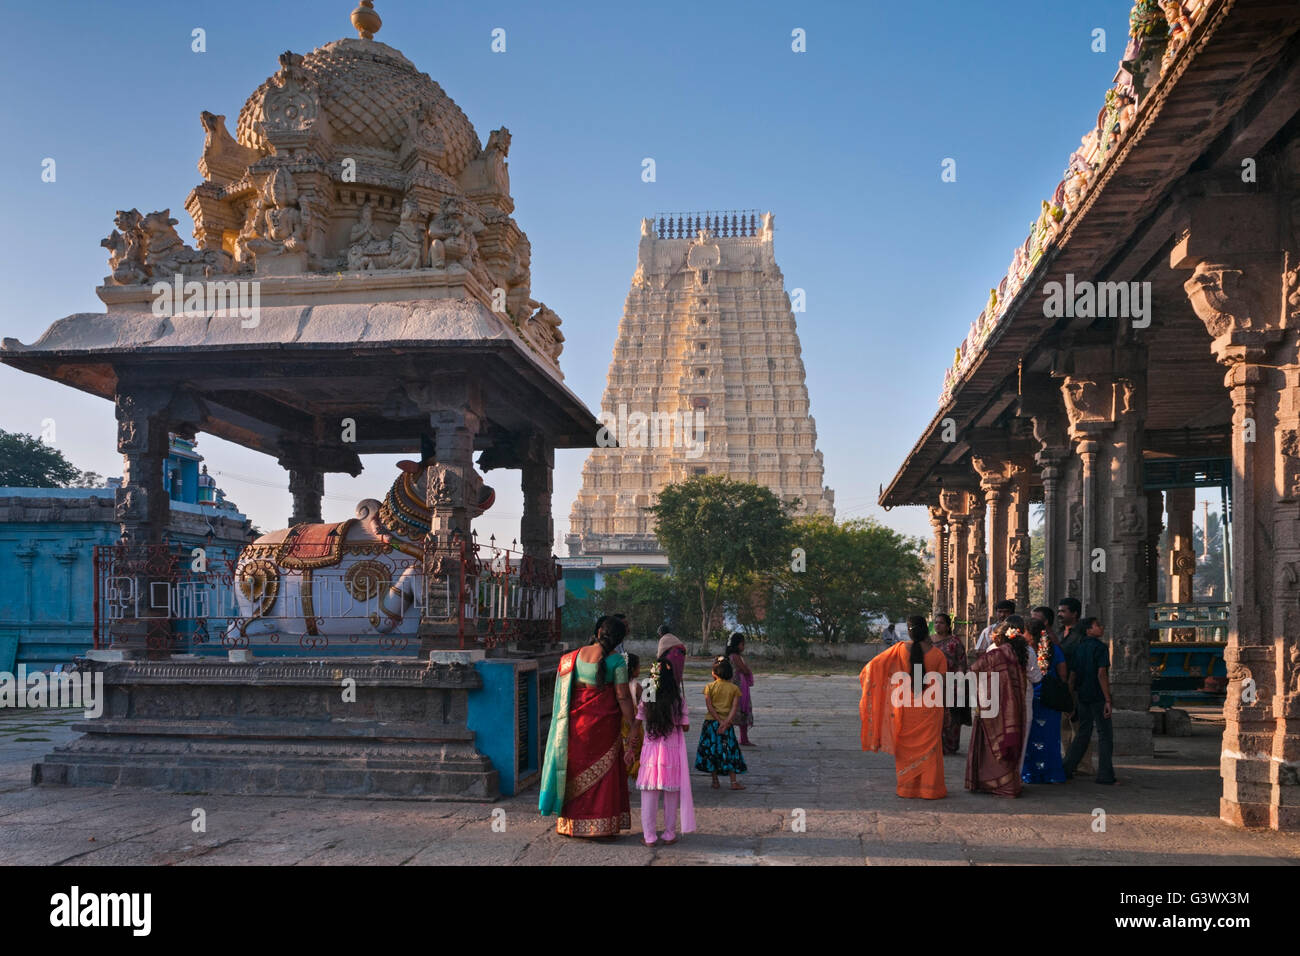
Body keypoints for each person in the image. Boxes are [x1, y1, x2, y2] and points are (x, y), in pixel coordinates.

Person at [540, 616, 634, 837]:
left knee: (572, 771)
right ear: (619, 639)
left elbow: (565, 697)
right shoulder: (617, 661)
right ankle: (601, 826)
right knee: (604, 776)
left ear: (599, 631)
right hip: (604, 729)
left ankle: (570, 824)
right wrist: (633, 723)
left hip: (575, 727)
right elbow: (622, 697)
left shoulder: (570, 659)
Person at [859, 615, 948, 799]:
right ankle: (929, 789)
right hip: (930, 709)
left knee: (906, 748)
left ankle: (907, 788)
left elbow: (872, 667)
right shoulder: (938, 655)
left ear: (909, 631)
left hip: (904, 708)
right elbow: (943, 682)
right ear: (926, 630)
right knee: (930, 750)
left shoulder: (899, 650)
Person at [630, 651, 696, 845]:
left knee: (649, 796)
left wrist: (630, 743)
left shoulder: (648, 699)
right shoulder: (677, 700)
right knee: (670, 795)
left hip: (651, 752)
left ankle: (649, 836)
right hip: (672, 752)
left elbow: (637, 720)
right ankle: (669, 834)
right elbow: (685, 727)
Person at [965, 620, 1028, 797]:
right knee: (1008, 740)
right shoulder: (1018, 653)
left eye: (994, 635)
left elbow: (973, 670)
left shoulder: (996, 654)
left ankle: (995, 783)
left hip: (993, 706)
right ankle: (1010, 783)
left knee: (991, 744)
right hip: (1013, 705)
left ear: (999, 637)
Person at [1062, 617, 1117, 785]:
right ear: (1088, 630)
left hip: (1082, 695)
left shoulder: (1079, 647)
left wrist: (1071, 699)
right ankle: (1105, 775)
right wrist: (1108, 699)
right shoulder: (1100, 648)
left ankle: (1066, 769)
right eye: (1097, 625)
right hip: (1098, 696)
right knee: (1105, 735)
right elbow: (1102, 674)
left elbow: (1072, 676)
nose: (1101, 627)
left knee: (1083, 734)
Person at [1022, 619, 1067, 784]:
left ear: (1030, 634)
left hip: (1034, 698)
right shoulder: (1055, 650)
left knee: (1032, 735)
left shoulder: (1025, 651)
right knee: (1049, 737)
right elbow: (1063, 675)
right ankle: (1050, 772)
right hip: (1049, 699)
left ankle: (1031, 772)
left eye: (1024, 631)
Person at [695, 655, 748, 790]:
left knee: (712, 751)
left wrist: (719, 721)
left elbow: (709, 707)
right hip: (727, 725)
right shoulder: (734, 689)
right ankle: (733, 782)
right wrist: (725, 723)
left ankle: (715, 781)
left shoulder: (709, 687)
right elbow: (734, 708)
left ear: (714, 673)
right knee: (730, 751)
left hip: (711, 724)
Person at [931, 612, 968, 754]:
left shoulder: (955, 642)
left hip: (951, 683)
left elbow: (961, 662)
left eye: (941, 623)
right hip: (933, 683)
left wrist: (958, 682)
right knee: (934, 715)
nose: (937, 625)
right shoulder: (929, 641)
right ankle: (935, 745)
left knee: (952, 716)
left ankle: (950, 745)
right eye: (936, 622)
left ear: (947, 626)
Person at [726, 631, 756, 746]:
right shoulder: (735, 656)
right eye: (742, 644)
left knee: (735, 712)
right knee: (742, 711)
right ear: (737, 644)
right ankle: (743, 738)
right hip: (738, 687)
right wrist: (748, 670)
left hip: (734, 686)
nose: (743, 647)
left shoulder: (730, 656)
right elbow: (744, 669)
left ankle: (738, 738)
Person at [623, 652, 643, 780]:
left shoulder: (618, 685)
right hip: (635, 722)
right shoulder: (636, 686)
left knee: (624, 750)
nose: (640, 669)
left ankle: (622, 779)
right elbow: (648, 703)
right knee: (637, 750)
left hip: (621, 723)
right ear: (632, 669)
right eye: (639, 667)